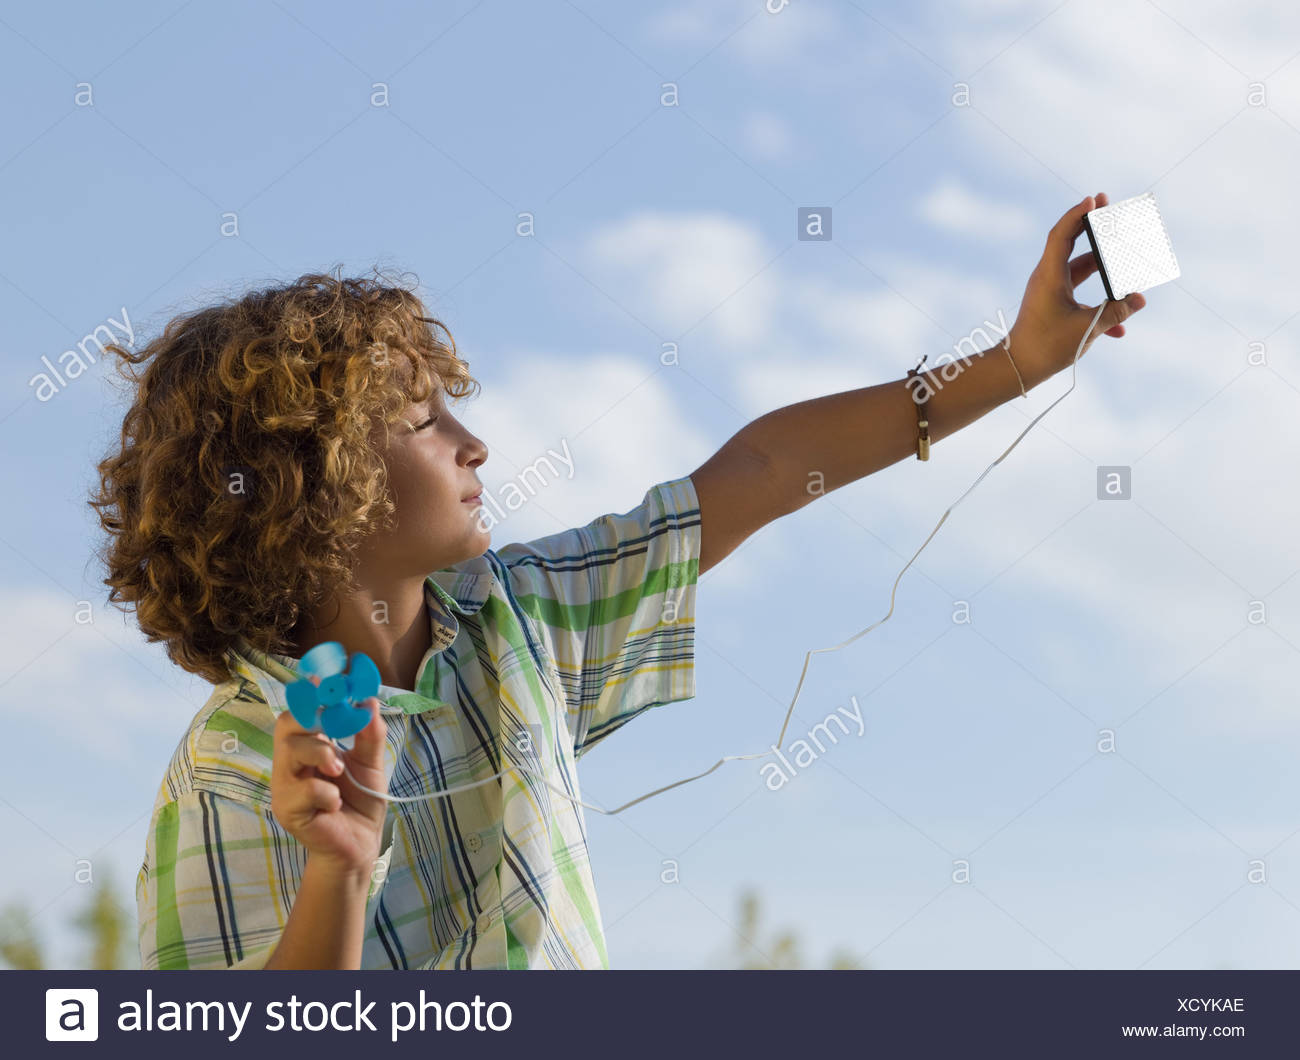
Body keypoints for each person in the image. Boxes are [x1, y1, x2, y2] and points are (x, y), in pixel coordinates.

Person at [91, 194, 1145, 969]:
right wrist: (341, 872)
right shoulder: (230, 768)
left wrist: (1014, 360)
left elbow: (760, 475)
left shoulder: (515, 621)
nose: (476, 444)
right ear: (309, 491)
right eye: (423, 421)